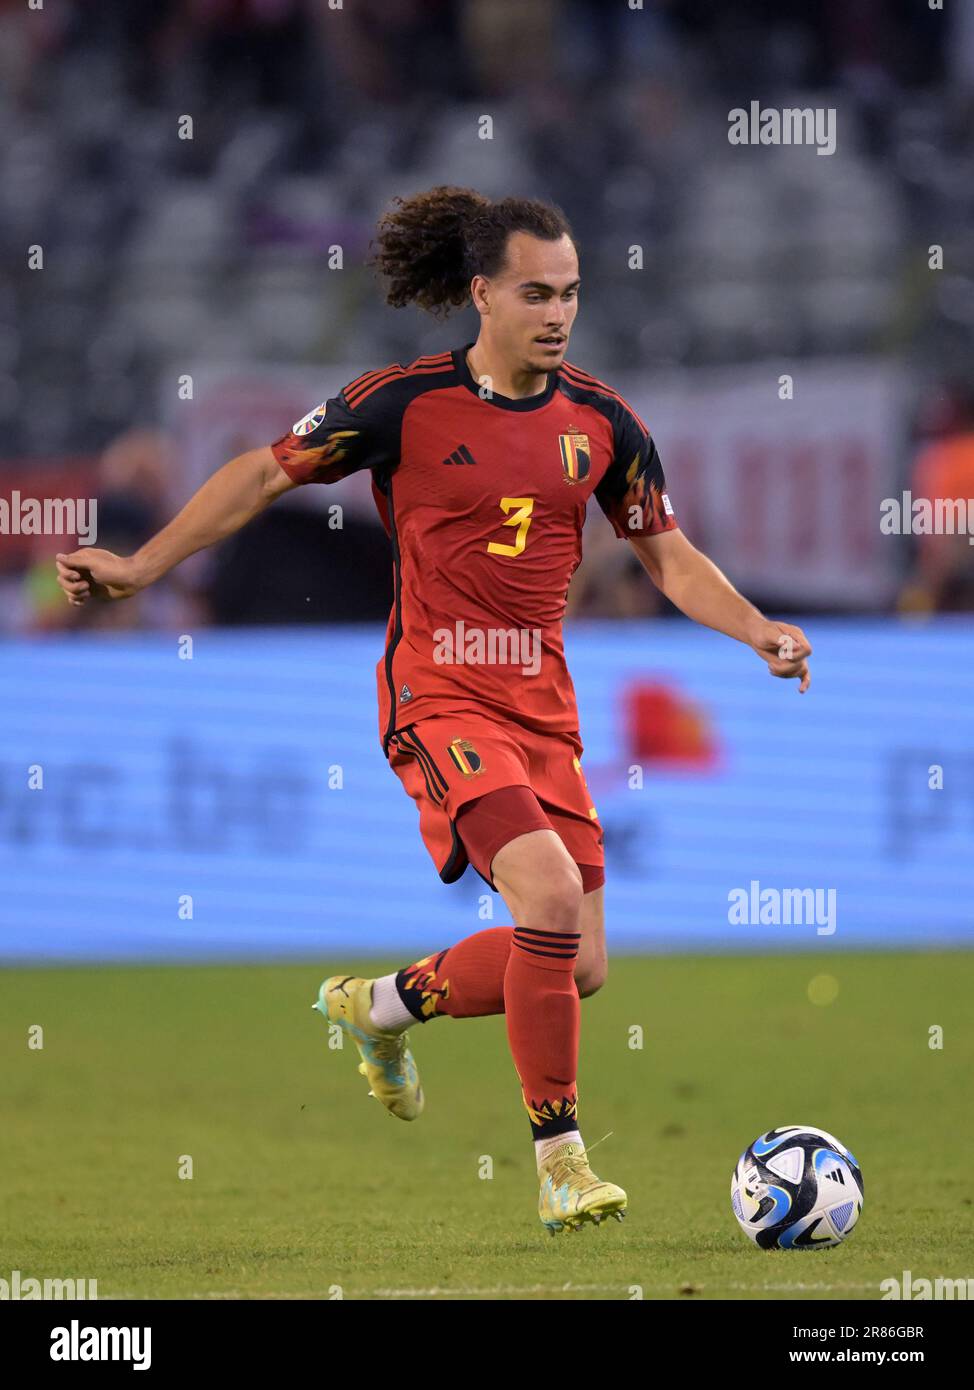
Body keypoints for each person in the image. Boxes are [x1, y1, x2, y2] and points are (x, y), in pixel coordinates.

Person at [55, 186, 812, 1234]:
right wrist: (140, 568)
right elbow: (259, 475)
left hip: (543, 710)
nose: (557, 314)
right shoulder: (402, 404)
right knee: (542, 891)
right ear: (481, 295)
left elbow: (667, 556)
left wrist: (756, 629)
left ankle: (375, 1006)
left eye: (572, 294)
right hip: (439, 692)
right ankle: (560, 1162)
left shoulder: (601, 423)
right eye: (536, 294)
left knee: (578, 963)